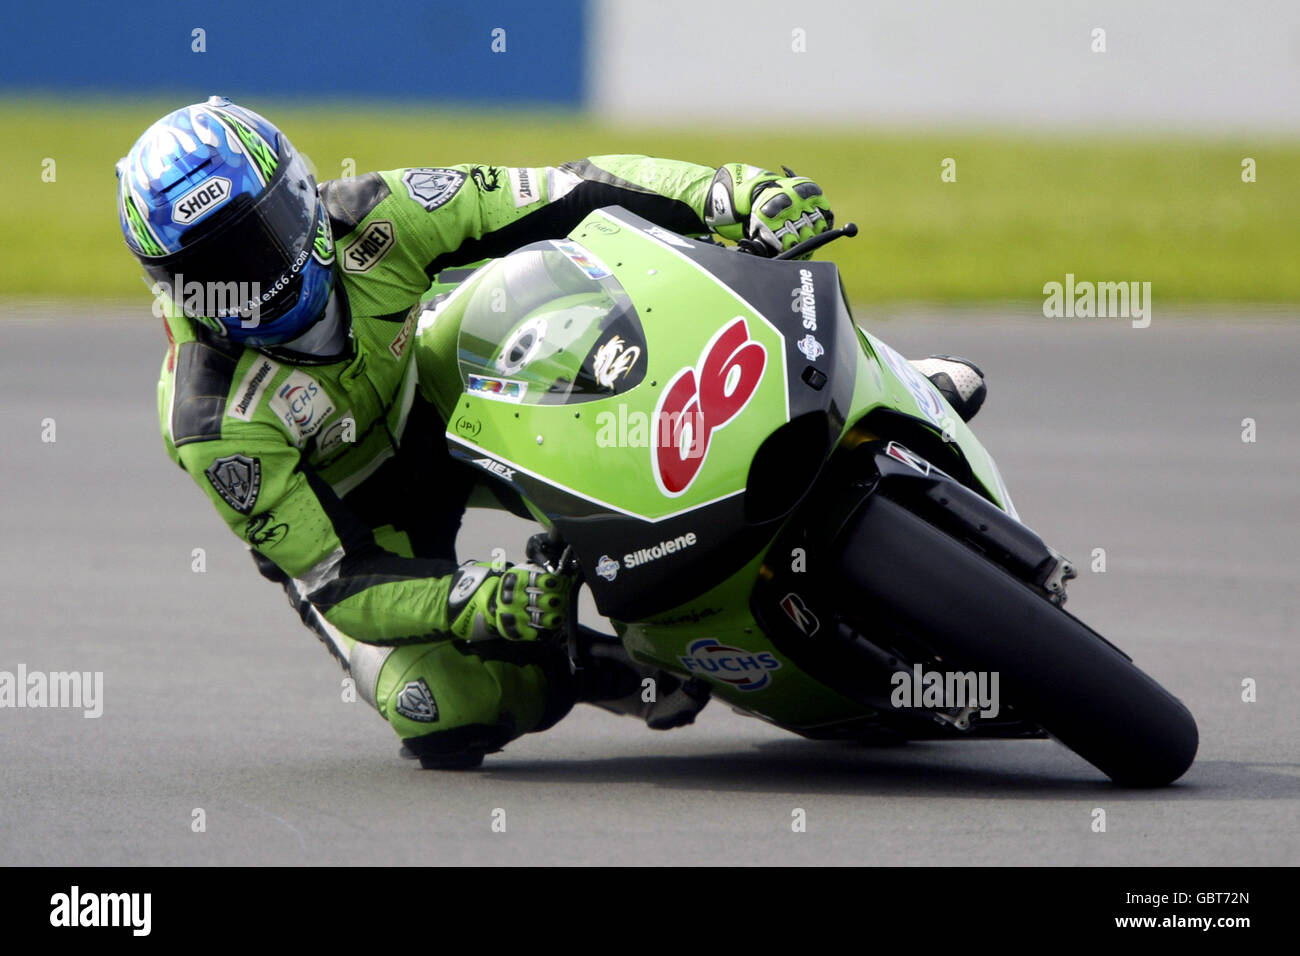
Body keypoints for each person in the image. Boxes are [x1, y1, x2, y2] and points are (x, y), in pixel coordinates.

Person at [118, 96, 985, 769]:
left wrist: (727, 192)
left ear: (301, 195)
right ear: (171, 286)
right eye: (215, 272)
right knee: (441, 713)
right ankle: (604, 664)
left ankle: (889, 380)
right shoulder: (211, 419)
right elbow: (340, 583)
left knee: (554, 287)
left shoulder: (378, 216)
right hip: (361, 518)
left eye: (262, 237)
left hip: (439, 391)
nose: (258, 279)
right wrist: (465, 600)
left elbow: (574, 190)